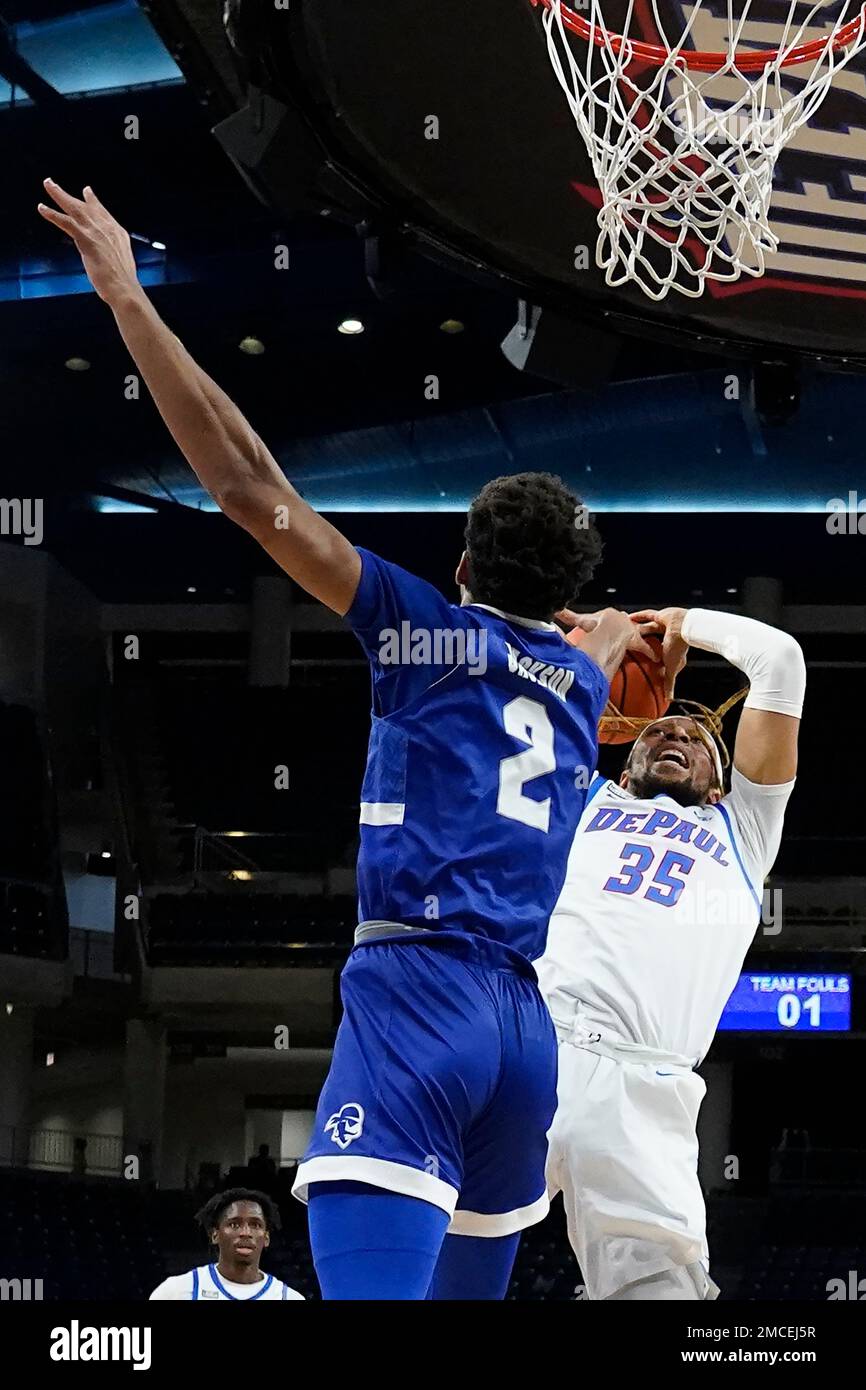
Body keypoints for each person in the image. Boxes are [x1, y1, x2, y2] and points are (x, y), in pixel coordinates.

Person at [38, 179, 654, 1300]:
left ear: (462, 572)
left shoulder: (419, 624)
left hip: (418, 991)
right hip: (524, 1029)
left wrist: (126, 293)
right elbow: (605, 636)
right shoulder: (576, 674)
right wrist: (615, 625)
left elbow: (239, 480)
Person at [538, 604, 805, 1300]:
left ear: (719, 782)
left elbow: (779, 662)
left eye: (694, 736)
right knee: (442, 1228)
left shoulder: (744, 827)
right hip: (531, 1045)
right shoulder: (587, 799)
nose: (675, 734)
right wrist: (603, 642)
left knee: (661, 1287)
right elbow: (524, 708)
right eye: (657, 730)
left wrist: (686, 625)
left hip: (643, 1085)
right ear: (624, 771)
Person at [148, 1189, 304, 1300]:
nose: (246, 1232)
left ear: (266, 1237)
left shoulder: (288, 1297)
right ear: (215, 1234)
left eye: (255, 1225)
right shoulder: (177, 1291)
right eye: (235, 1225)